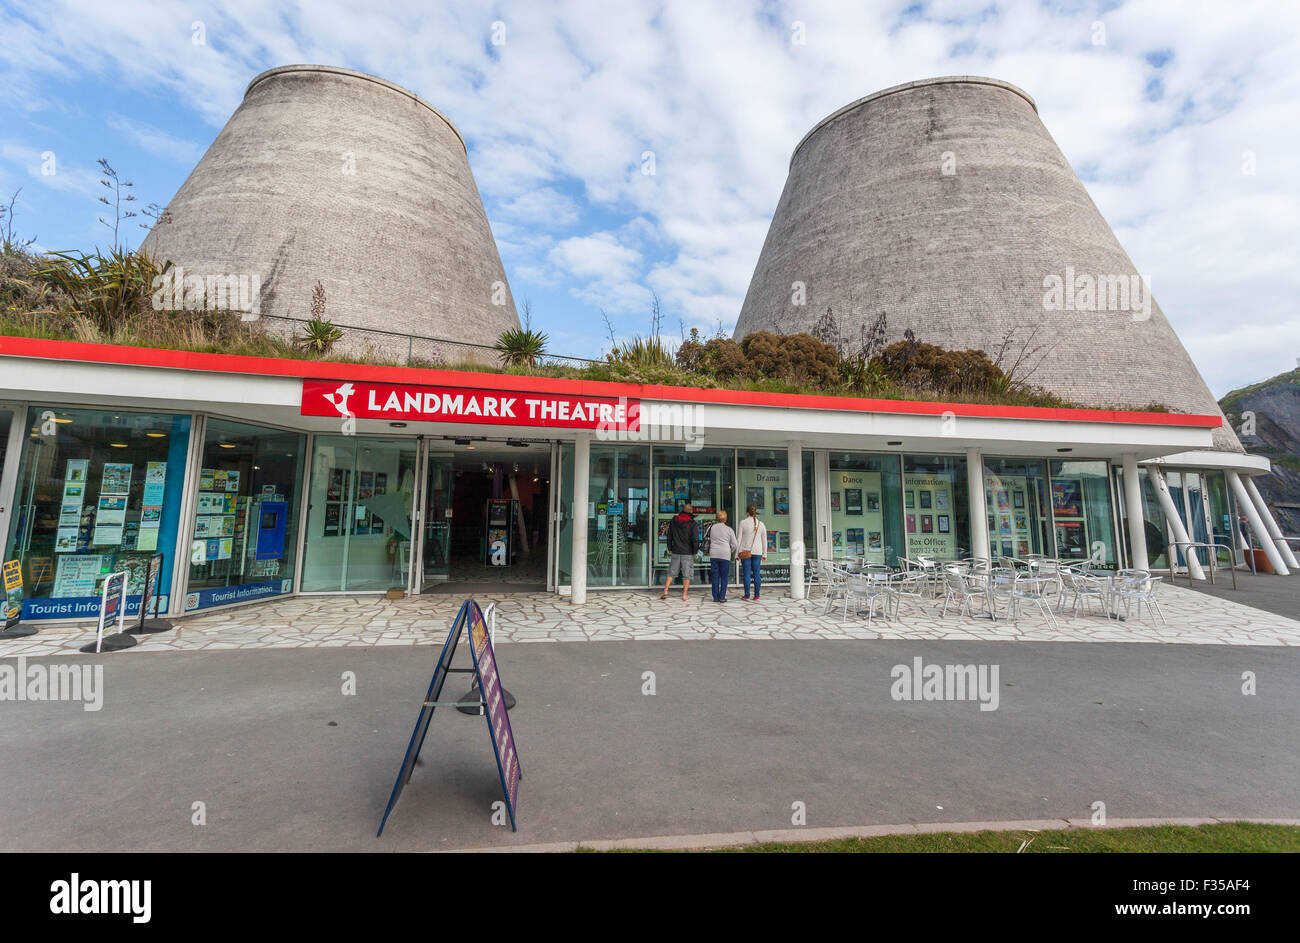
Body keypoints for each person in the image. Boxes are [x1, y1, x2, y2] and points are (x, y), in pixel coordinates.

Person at [662, 503, 698, 600]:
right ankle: (684, 594)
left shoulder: (674, 520)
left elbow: (669, 535)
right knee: (687, 573)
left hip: (676, 550)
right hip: (688, 552)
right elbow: (695, 539)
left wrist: (669, 548)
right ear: (691, 511)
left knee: (671, 571)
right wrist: (695, 551)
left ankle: (666, 590)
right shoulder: (692, 523)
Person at [706, 509, 739, 602]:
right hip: (725, 554)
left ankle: (715, 597)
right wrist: (730, 550)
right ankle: (722, 597)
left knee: (715, 576)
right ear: (725, 519)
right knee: (724, 576)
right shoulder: (729, 529)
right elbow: (735, 544)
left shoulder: (711, 527)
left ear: (717, 518)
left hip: (714, 554)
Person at [736, 504, 767, 601]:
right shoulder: (761, 524)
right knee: (757, 574)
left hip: (745, 551)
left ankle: (747, 595)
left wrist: (737, 553)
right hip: (758, 552)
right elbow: (764, 540)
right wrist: (764, 553)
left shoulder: (743, 523)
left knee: (746, 574)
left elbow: (739, 539)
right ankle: (757, 595)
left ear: (747, 513)